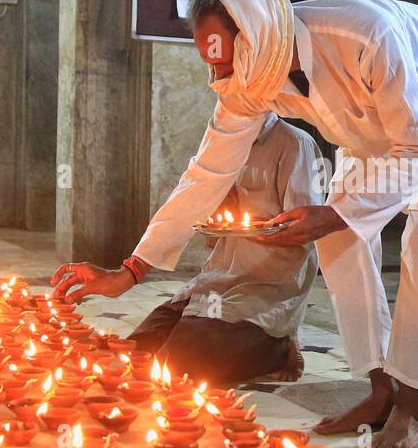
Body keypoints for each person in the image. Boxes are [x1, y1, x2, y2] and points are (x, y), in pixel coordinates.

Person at [52, 0, 418, 448]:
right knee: (341, 240)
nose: (220, 73)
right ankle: (381, 390)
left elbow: (417, 149)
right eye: (212, 61)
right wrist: (131, 271)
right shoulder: (248, 74)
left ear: (254, 36)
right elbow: (207, 173)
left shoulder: (365, 36)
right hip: (368, 130)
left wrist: (335, 212)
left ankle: (413, 405)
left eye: (225, 58)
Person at [123, 113, 321, 386]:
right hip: (217, 281)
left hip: (266, 288)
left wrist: (253, 227)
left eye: (227, 76)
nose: (219, 86)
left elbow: (304, 232)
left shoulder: (295, 144)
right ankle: (226, 337)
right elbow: (212, 236)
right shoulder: (222, 140)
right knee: (133, 351)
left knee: (181, 361)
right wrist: (222, 212)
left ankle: (279, 346)